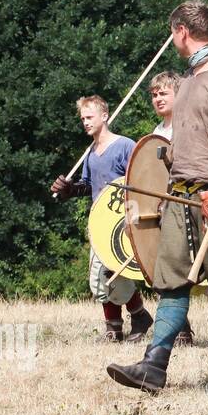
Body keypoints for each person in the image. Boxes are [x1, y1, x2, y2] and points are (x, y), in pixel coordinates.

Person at [106, 1, 208, 392]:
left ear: (180, 32)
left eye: (171, 33)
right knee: (171, 283)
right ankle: (154, 366)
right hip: (180, 198)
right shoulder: (188, 80)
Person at [50, 96, 153, 342]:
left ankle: (137, 315)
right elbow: (88, 186)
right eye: (83, 118)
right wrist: (69, 189)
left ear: (105, 116)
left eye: (90, 117)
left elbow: (140, 180)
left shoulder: (125, 145)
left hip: (122, 221)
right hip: (100, 222)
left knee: (113, 274)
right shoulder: (90, 153)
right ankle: (115, 326)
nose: (85, 122)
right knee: (99, 278)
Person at [149, 71, 178, 140]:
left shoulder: (187, 126)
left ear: (177, 94)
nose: (158, 99)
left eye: (163, 94)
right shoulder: (157, 131)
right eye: (154, 95)